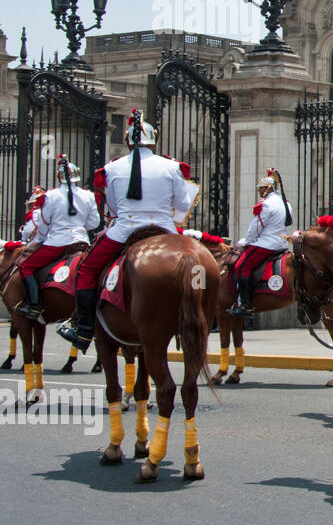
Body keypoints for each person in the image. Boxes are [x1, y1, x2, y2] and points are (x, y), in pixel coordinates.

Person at [58, 109, 197, 350]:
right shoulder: (172, 167)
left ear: (127, 141)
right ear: (153, 140)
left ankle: (84, 329)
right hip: (164, 228)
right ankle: (208, 314)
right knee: (198, 267)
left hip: (125, 229)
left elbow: (112, 206)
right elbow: (184, 204)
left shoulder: (111, 169)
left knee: (86, 270)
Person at [15, 158, 98, 321]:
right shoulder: (89, 195)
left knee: (25, 267)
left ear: (58, 177)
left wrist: (41, 239)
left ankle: (34, 305)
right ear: (78, 176)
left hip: (58, 243)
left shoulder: (50, 196)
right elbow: (94, 222)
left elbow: (44, 224)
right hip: (81, 241)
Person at [226, 168, 293, 317]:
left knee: (241, 266)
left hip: (266, 244)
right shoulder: (285, 203)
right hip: (281, 244)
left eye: (261, 188)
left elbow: (256, 227)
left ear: (268, 188)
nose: (259, 191)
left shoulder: (266, 204)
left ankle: (245, 304)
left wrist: (247, 241)